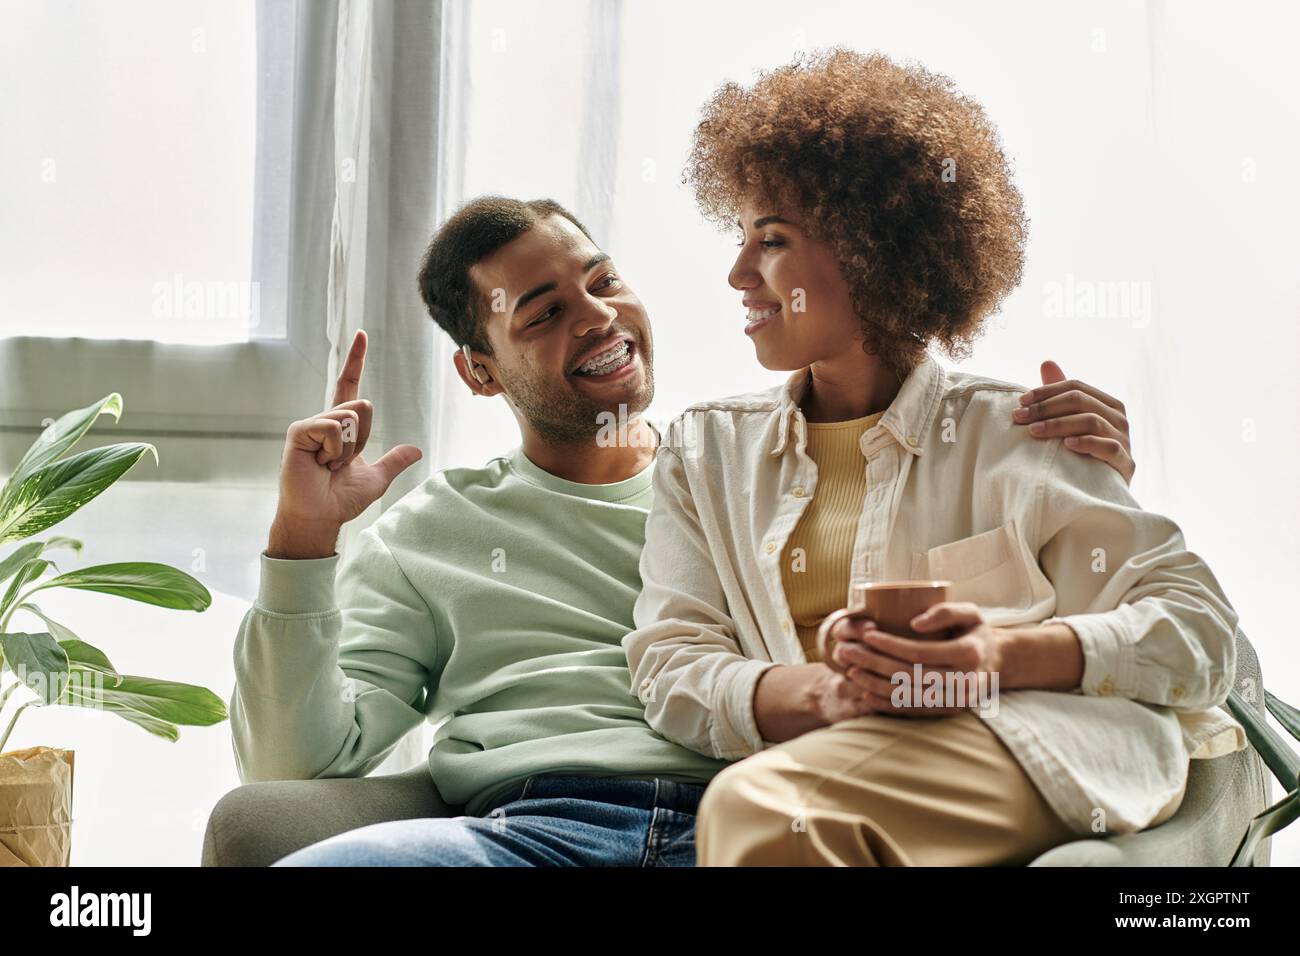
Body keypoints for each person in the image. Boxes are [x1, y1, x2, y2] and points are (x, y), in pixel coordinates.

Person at [231, 194, 1141, 867]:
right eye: (544, 312)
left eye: (603, 281)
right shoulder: (432, 534)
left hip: (764, 822)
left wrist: (1079, 480)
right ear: (480, 372)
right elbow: (299, 762)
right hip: (528, 834)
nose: (597, 317)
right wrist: (301, 542)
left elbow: (997, 585)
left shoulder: (749, 474)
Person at [621, 48, 1246, 866]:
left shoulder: (1023, 431)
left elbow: (1201, 631)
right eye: (740, 239)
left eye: (769, 239)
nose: (739, 271)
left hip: (1028, 747)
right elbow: (671, 659)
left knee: (763, 808)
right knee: (776, 807)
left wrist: (995, 657)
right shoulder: (706, 452)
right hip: (832, 761)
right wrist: (824, 696)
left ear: (869, 247)